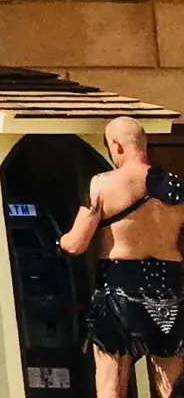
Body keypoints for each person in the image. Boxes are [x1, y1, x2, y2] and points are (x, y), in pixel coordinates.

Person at [59, 116, 184, 398]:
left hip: (119, 292)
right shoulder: (177, 187)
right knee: (171, 388)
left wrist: (59, 242)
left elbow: (76, 244)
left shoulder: (103, 185)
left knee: (111, 386)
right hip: (169, 292)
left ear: (116, 145)